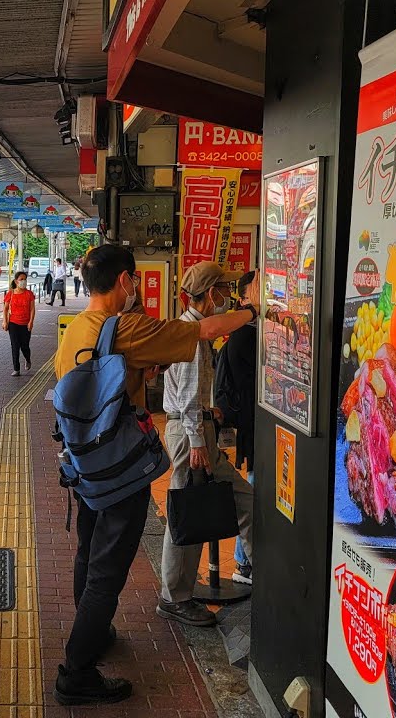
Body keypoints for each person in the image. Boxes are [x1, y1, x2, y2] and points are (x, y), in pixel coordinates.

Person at [53, 245, 257, 705]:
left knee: (89, 551)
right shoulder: (124, 326)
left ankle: (96, 630)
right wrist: (252, 311)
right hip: (119, 470)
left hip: (84, 464)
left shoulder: (78, 329)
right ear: (124, 281)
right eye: (135, 281)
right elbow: (206, 329)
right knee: (109, 570)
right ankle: (76, 671)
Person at [156, 262, 256, 626]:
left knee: (221, 505)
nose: (226, 298)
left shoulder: (187, 327)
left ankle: (177, 593)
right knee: (187, 513)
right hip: (189, 434)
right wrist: (199, 440)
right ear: (211, 294)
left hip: (192, 430)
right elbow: (185, 395)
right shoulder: (193, 335)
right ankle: (174, 597)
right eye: (223, 291)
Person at [216, 270, 260, 585]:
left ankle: (244, 563)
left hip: (253, 427)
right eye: (260, 285)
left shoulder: (250, 329)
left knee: (252, 490)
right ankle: (244, 565)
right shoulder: (245, 333)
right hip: (254, 426)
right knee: (252, 492)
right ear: (245, 297)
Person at [2, 270, 36, 377]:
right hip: (13, 323)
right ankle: (16, 368)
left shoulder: (29, 294)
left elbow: (32, 309)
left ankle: (27, 358)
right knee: (15, 346)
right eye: (21, 279)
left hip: (25, 324)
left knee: (24, 346)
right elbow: (6, 309)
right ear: (16, 281)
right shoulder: (10, 294)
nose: (23, 282)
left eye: (25, 279)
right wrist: (5, 321)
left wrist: (31, 322)